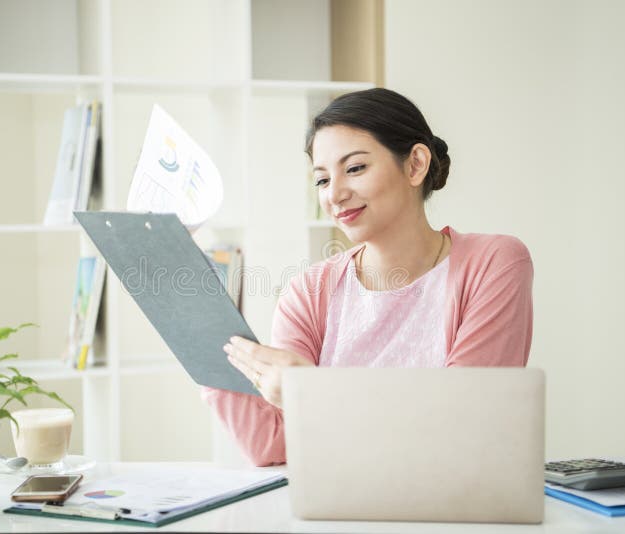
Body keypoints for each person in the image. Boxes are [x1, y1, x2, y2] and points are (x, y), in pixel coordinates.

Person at [202, 88, 534, 466]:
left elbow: (463, 420)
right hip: (337, 508)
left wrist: (316, 395)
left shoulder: (494, 263)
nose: (336, 195)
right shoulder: (309, 291)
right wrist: (198, 338)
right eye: (322, 180)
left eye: (355, 168)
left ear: (415, 165)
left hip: (451, 509)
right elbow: (275, 445)